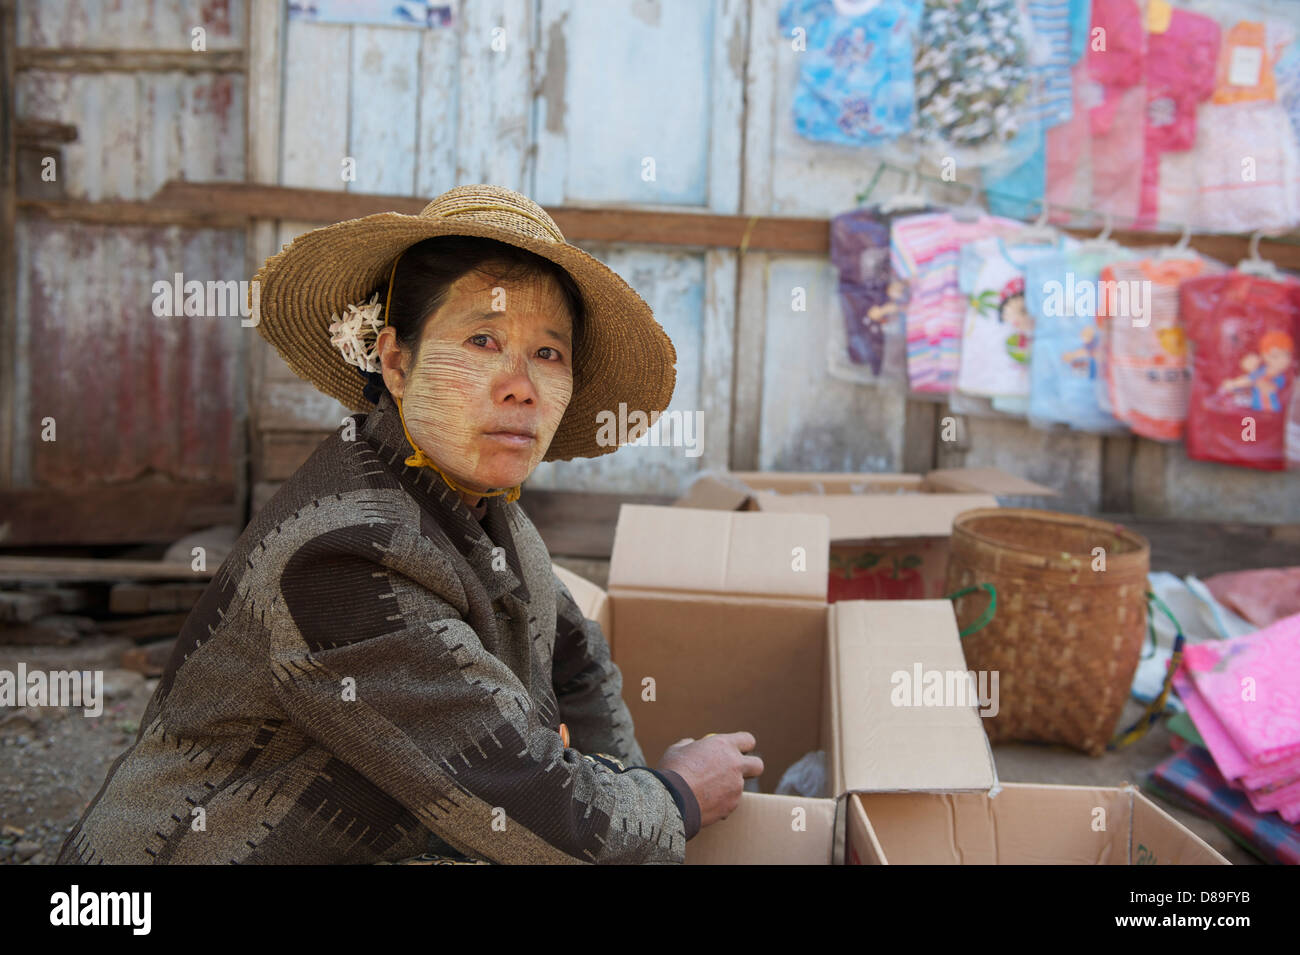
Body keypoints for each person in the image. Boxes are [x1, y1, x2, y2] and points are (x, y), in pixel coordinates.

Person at [57, 184, 762, 865]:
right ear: (396, 361)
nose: (520, 382)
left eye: (548, 352)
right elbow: (520, 798)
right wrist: (674, 797)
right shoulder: (344, 551)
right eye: (483, 339)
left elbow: (575, 653)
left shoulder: (487, 512)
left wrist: (623, 780)